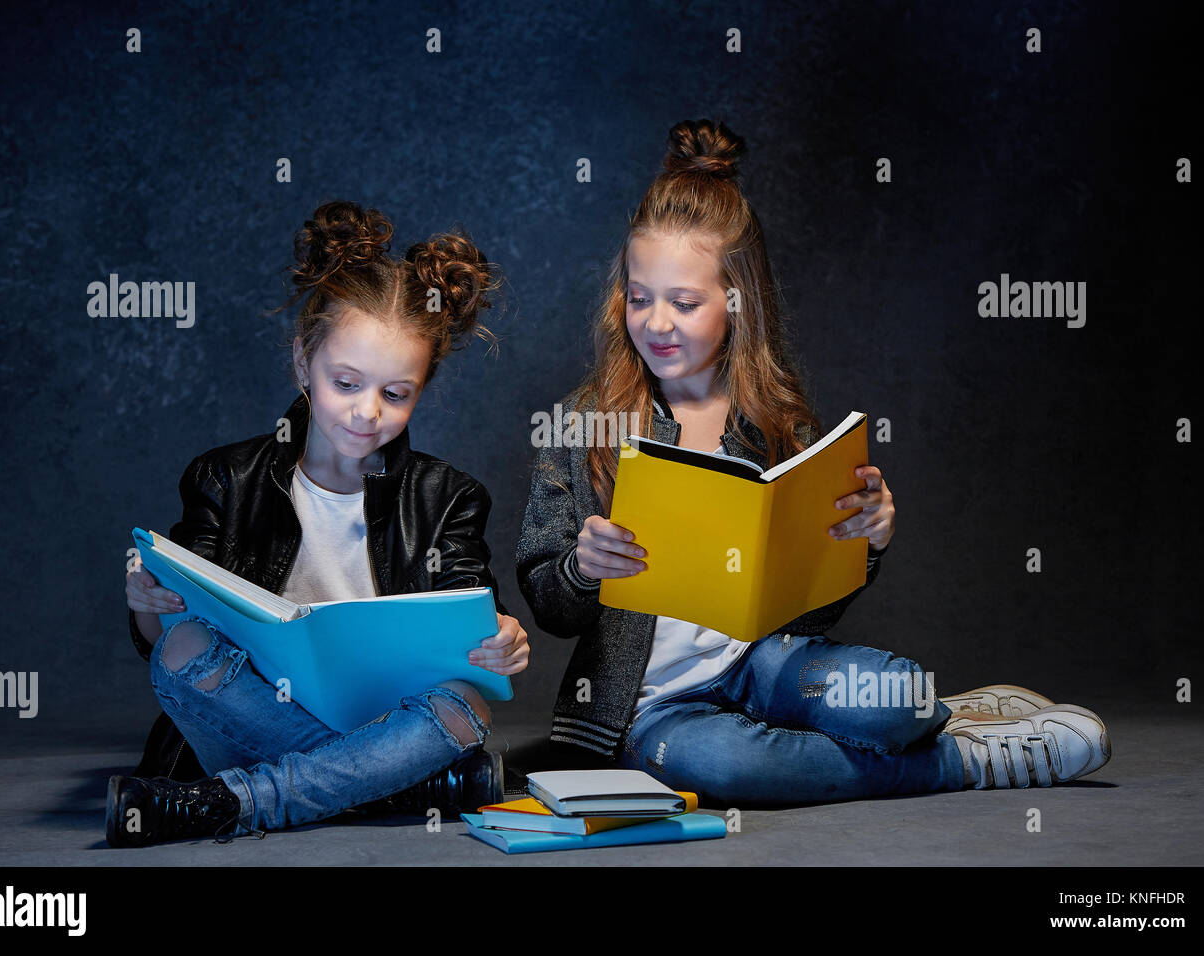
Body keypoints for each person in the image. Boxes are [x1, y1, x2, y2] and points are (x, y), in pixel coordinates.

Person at [514, 119, 1110, 805]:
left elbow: (813, 611)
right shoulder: (583, 423)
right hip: (655, 708)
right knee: (726, 770)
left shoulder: (775, 419)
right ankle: (963, 759)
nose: (657, 323)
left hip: (768, 664)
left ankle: (938, 719)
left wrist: (867, 540)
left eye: (684, 302)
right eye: (640, 298)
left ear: (738, 304)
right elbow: (548, 600)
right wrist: (584, 567)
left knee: (899, 700)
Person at [110, 201, 530, 847]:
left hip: (383, 720)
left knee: (464, 702)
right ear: (303, 362)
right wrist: (147, 600)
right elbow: (162, 636)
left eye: (395, 393)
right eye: (345, 383)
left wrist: (501, 639)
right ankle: (391, 785)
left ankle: (231, 802)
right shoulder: (226, 477)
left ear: (422, 388)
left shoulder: (448, 495)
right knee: (181, 646)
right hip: (255, 720)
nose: (367, 413)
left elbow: (466, 624)